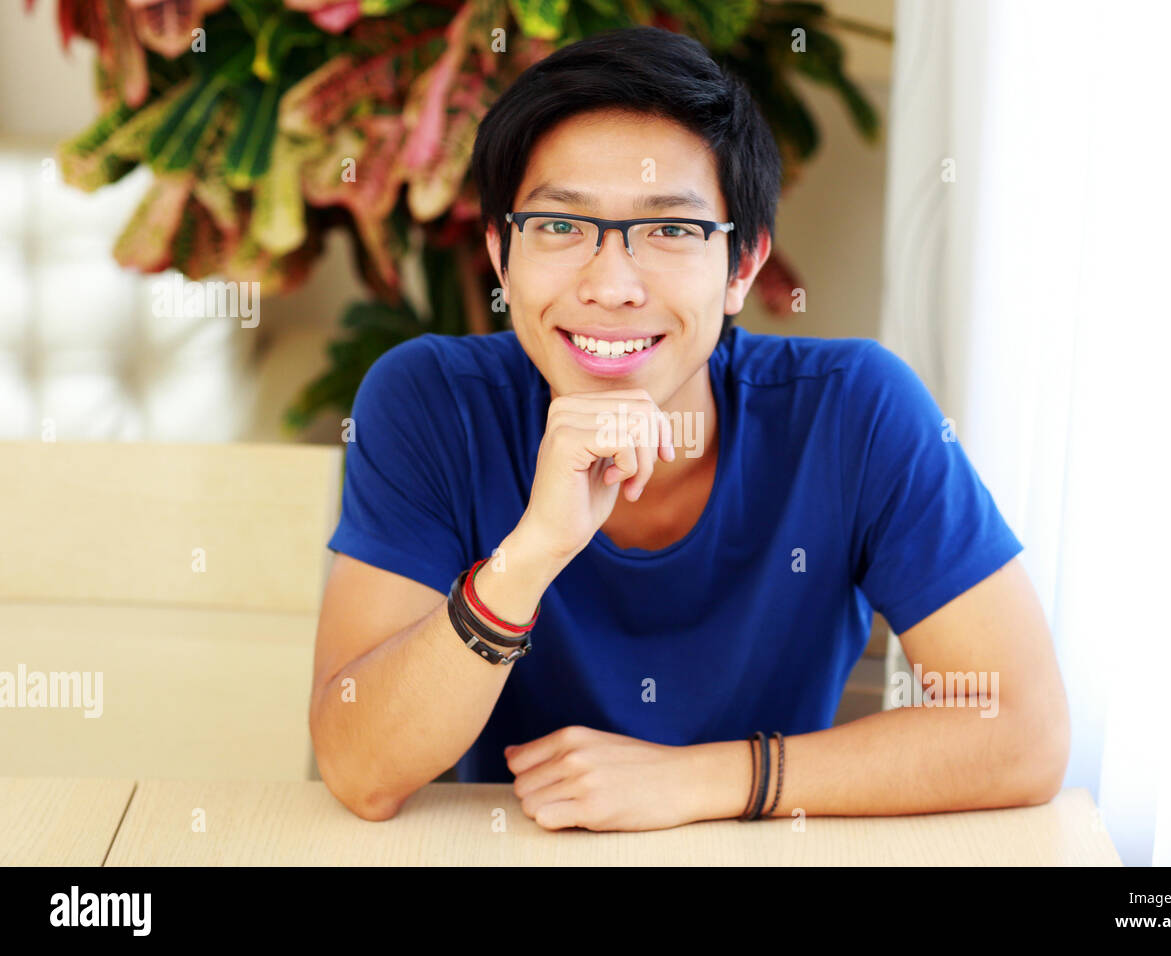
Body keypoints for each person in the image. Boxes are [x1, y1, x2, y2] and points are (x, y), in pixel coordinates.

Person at [309, 26, 1069, 831]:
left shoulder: (854, 410)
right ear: (501, 256)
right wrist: (530, 554)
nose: (611, 285)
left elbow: (1023, 730)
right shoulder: (430, 402)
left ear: (742, 266)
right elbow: (362, 771)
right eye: (561, 227)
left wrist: (698, 782)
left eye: (670, 230)